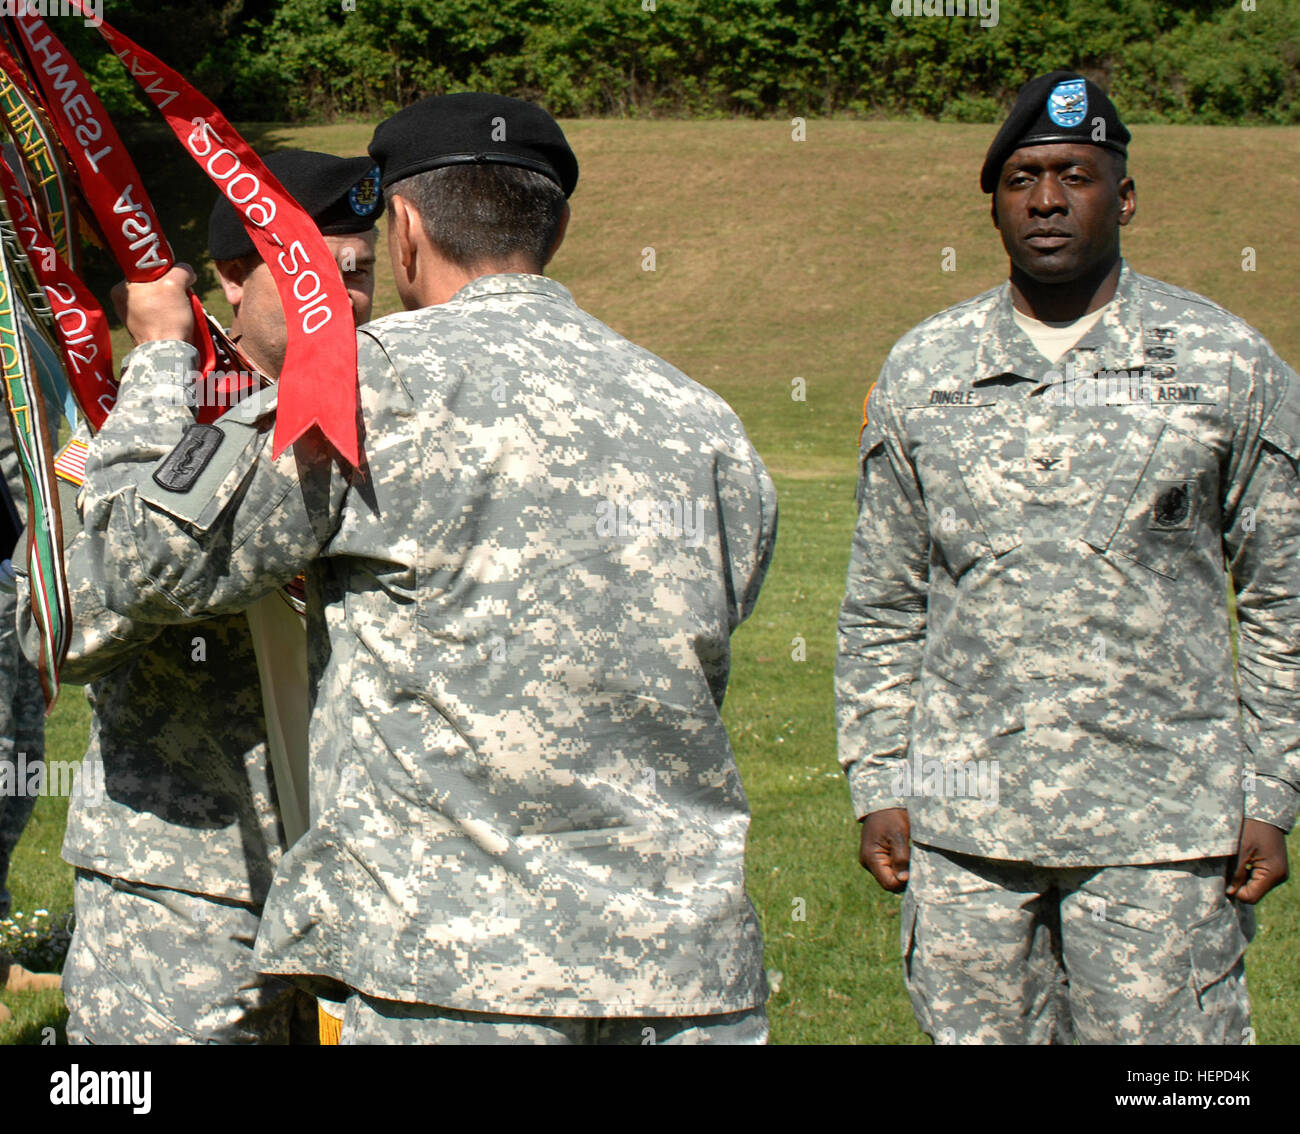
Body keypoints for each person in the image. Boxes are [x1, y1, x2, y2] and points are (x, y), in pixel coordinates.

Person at [78, 92, 777, 1045]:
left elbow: (135, 557)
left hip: (457, 976)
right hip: (689, 974)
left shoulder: (364, 385)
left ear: (401, 229)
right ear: (557, 225)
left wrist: (159, 361)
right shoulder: (705, 420)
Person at [837, 70, 1296, 1044]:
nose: (1046, 200)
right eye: (1021, 179)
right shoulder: (927, 368)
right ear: (994, 205)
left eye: (1074, 175)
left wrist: (1271, 792)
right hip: (967, 834)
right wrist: (877, 778)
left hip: (1163, 831)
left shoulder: (1220, 363)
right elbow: (882, 602)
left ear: (1121, 195)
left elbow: (1282, 597)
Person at [15, 149, 381, 1043]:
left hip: (362, 873)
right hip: (185, 876)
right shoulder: (123, 429)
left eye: (361, 272)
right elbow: (57, 630)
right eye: (310, 270)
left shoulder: (401, 420)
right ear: (229, 279)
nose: (344, 294)